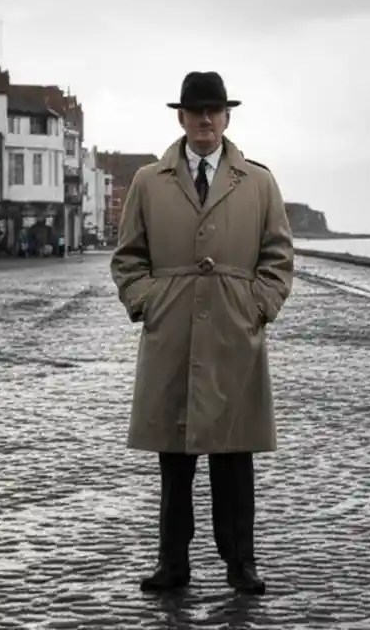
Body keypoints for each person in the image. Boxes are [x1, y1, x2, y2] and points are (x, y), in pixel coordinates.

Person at [110, 70, 294, 595]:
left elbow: (279, 256)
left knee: (235, 458)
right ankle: (173, 564)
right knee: (174, 461)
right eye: (197, 111)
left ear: (227, 117)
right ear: (182, 118)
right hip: (172, 333)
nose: (206, 119)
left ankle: (241, 563)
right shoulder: (150, 181)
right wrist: (149, 303)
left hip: (234, 334)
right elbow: (128, 258)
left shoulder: (258, 182)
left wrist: (257, 306)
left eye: (214, 110)